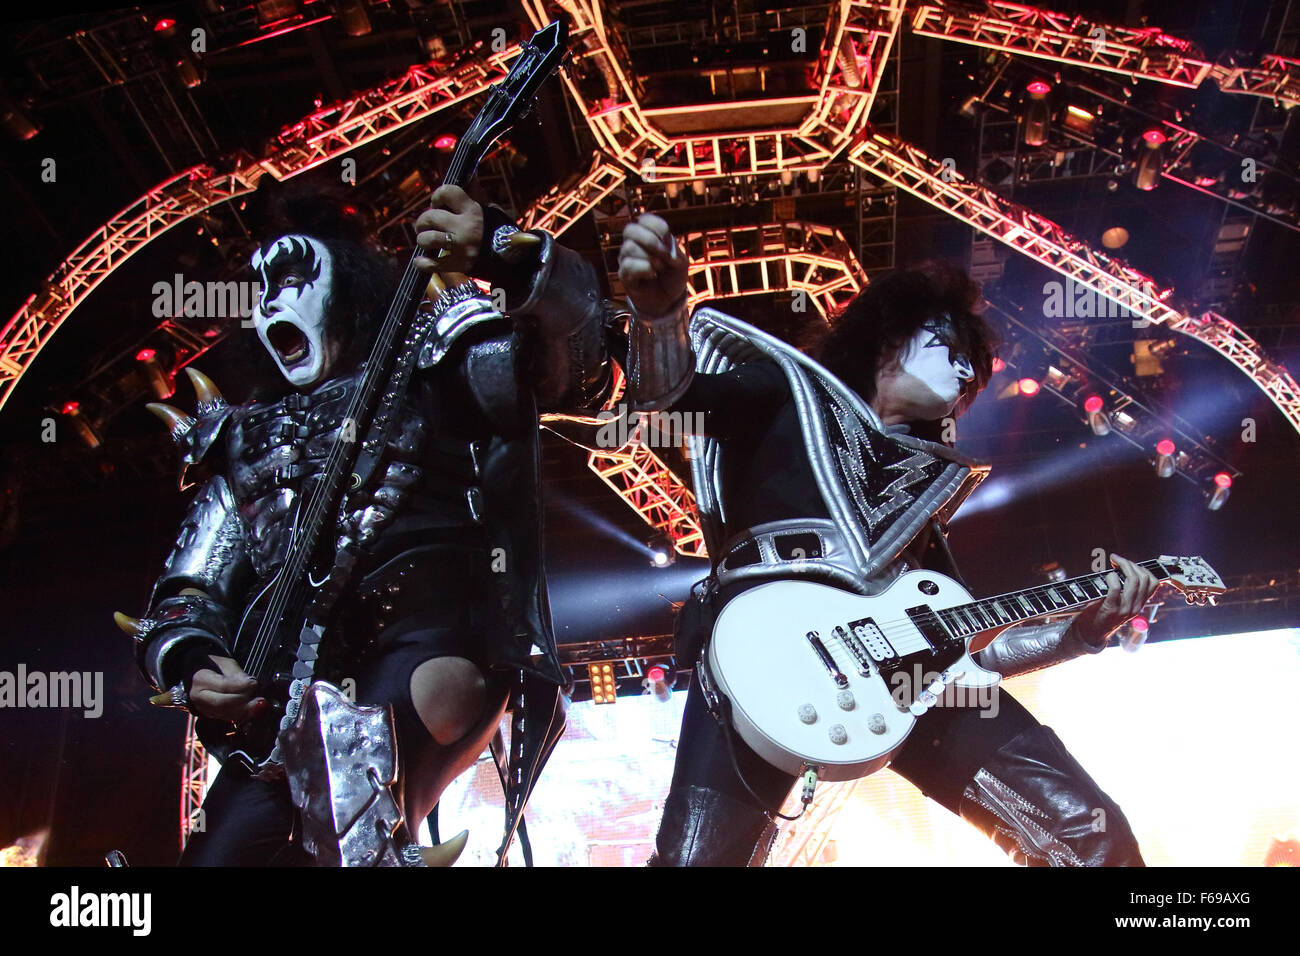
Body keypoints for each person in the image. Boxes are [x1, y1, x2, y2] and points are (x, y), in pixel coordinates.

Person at [616, 213, 1160, 866]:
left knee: (1092, 838)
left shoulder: (923, 494)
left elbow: (971, 654)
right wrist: (659, 317)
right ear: (887, 338)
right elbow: (670, 407)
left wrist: (1084, 630)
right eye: (950, 348)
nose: (965, 372)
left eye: (973, 368)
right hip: (762, 652)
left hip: (908, 677)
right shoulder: (788, 391)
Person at [116, 181, 610, 865]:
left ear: (347, 285)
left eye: (293, 278)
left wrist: (503, 253)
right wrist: (195, 661)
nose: (271, 301)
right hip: (284, 694)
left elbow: (582, 372)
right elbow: (187, 590)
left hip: (432, 637)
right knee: (216, 853)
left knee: (344, 765)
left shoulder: (434, 363)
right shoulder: (244, 438)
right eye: (261, 288)